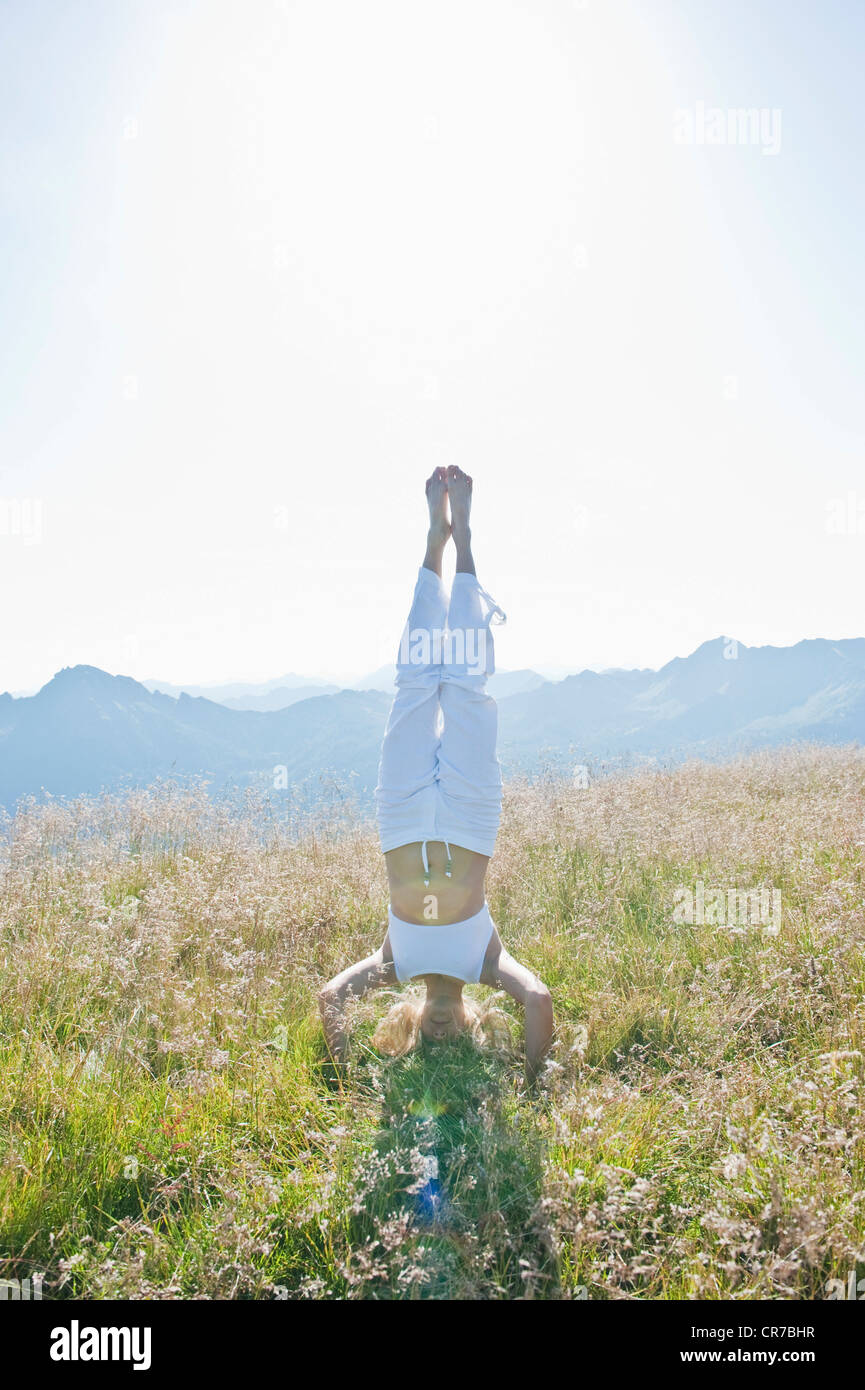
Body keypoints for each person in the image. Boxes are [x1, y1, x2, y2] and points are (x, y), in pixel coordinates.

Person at [318, 466, 554, 1083]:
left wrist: (344, 1086)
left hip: (399, 815)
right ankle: (466, 540)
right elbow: (538, 1001)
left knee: (418, 682)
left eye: (428, 1037)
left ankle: (433, 545)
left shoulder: (395, 963)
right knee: (468, 688)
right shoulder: (483, 960)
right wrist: (532, 1087)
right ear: (472, 1020)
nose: (440, 1033)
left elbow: (330, 998)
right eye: (454, 1038)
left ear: (414, 1018)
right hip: (472, 820)